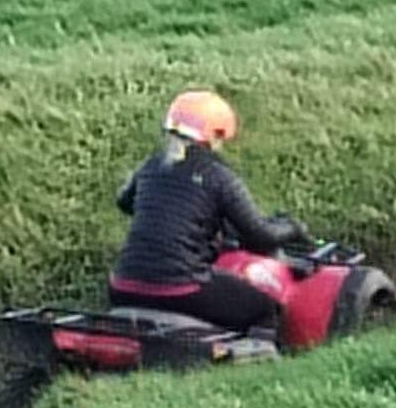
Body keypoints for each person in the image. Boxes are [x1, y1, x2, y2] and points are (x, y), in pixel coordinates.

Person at [108, 91, 310, 334]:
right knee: (263, 307)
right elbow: (260, 236)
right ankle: (258, 362)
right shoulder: (219, 176)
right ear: (214, 134)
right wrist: (293, 228)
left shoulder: (151, 167)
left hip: (122, 287)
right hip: (180, 288)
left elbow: (124, 202)